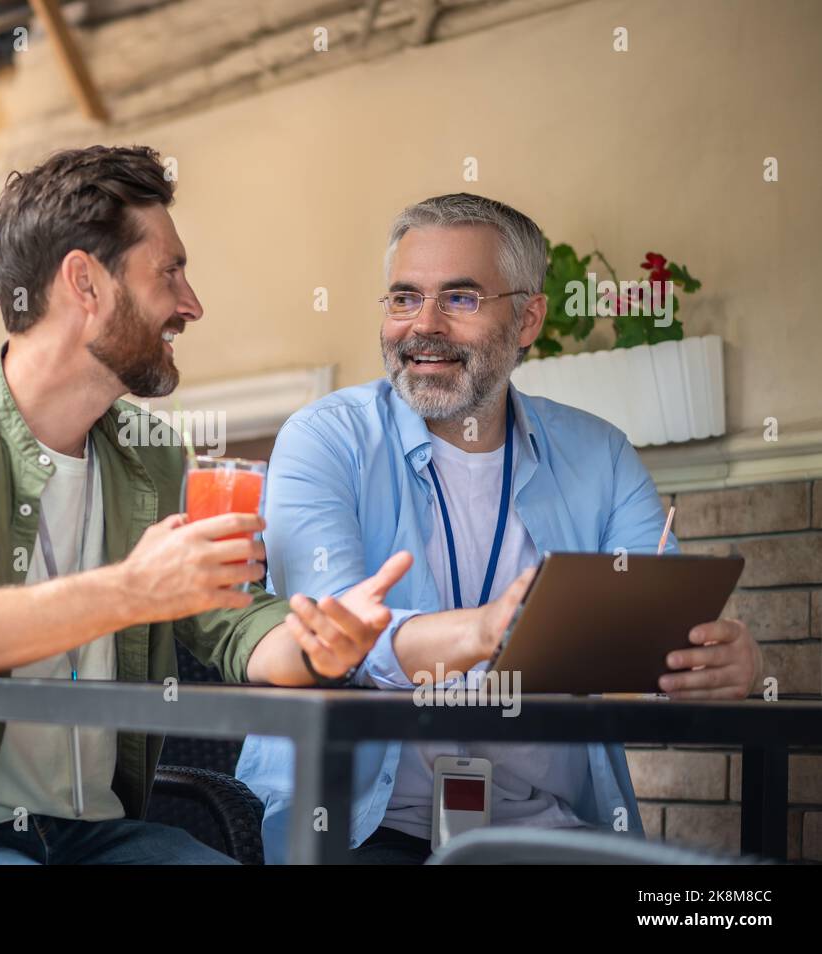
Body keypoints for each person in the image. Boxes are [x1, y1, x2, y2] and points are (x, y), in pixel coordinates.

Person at [0, 145, 411, 865]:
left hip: (96, 835)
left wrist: (316, 644)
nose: (191, 304)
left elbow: (228, 624)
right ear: (85, 281)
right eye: (170, 271)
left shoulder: (154, 452)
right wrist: (132, 589)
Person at [236, 192, 762, 864]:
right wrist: (486, 631)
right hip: (361, 828)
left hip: (549, 829)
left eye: (459, 299)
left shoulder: (599, 452)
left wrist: (714, 661)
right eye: (403, 298)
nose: (422, 326)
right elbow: (329, 636)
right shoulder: (325, 438)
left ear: (527, 319)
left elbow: (653, 644)